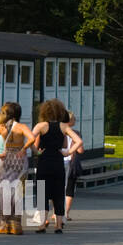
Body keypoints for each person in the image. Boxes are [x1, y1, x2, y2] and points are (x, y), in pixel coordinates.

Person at [26, 99, 81, 233]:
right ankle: (58, 224)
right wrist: (67, 152)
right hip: (58, 161)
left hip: (44, 161)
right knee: (58, 192)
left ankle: (42, 224)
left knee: (42, 192)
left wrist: (36, 152)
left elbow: (30, 140)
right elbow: (78, 141)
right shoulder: (64, 127)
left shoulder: (41, 126)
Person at [0, 102, 31, 235]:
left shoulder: (1, 127)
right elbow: (31, 138)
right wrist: (25, 149)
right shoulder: (21, 127)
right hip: (20, 161)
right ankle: (14, 225)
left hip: (5, 160)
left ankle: (1, 224)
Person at [63, 111, 83, 222]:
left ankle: (44, 214)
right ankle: (65, 213)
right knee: (69, 189)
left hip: (52, 162)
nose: (75, 120)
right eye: (74, 119)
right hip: (70, 162)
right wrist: (71, 151)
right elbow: (80, 149)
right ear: (70, 121)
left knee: (50, 188)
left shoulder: (56, 131)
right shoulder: (76, 133)